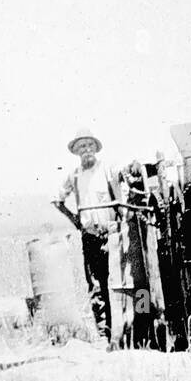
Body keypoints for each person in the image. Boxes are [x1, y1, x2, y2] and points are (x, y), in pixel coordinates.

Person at [52, 127, 123, 344]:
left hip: (112, 235)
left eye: (90, 145)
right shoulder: (74, 176)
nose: (87, 150)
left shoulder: (107, 170)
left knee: (120, 284)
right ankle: (104, 334)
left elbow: (120, 201)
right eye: (82, 146)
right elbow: (57, 200)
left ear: (96, 147)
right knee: (96, 286)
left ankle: (124, 332)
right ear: (76, 151)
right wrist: (75, 220)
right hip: (90, 237)